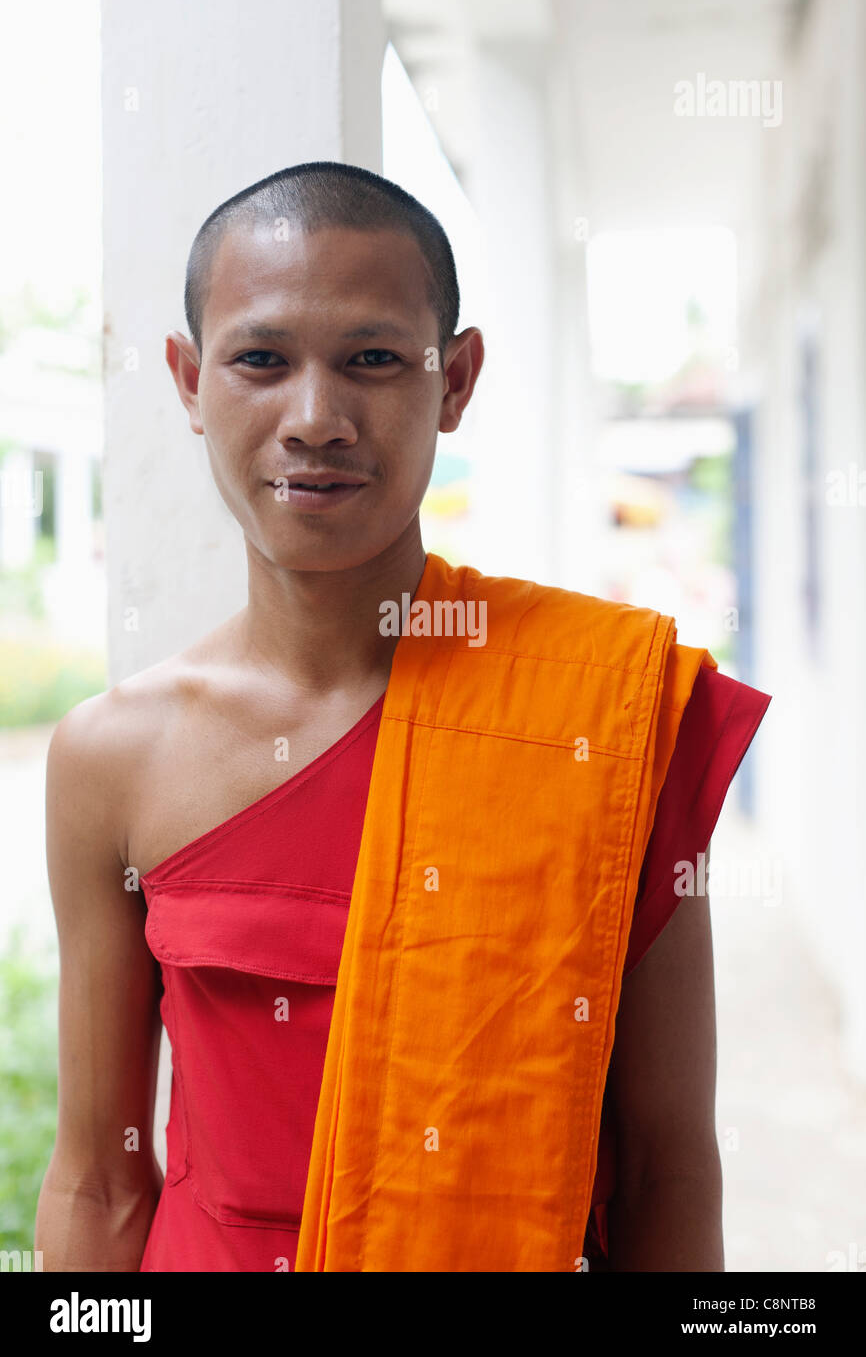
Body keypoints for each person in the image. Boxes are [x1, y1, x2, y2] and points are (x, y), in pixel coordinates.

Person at [35, 162, 770, 1273]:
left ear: (455, 377)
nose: (315, 418)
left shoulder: (607, 718)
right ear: (189, 381)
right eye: (260, 361)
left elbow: (666, 1168)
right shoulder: (114, 757)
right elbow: (97, 1176)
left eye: (372, 359)